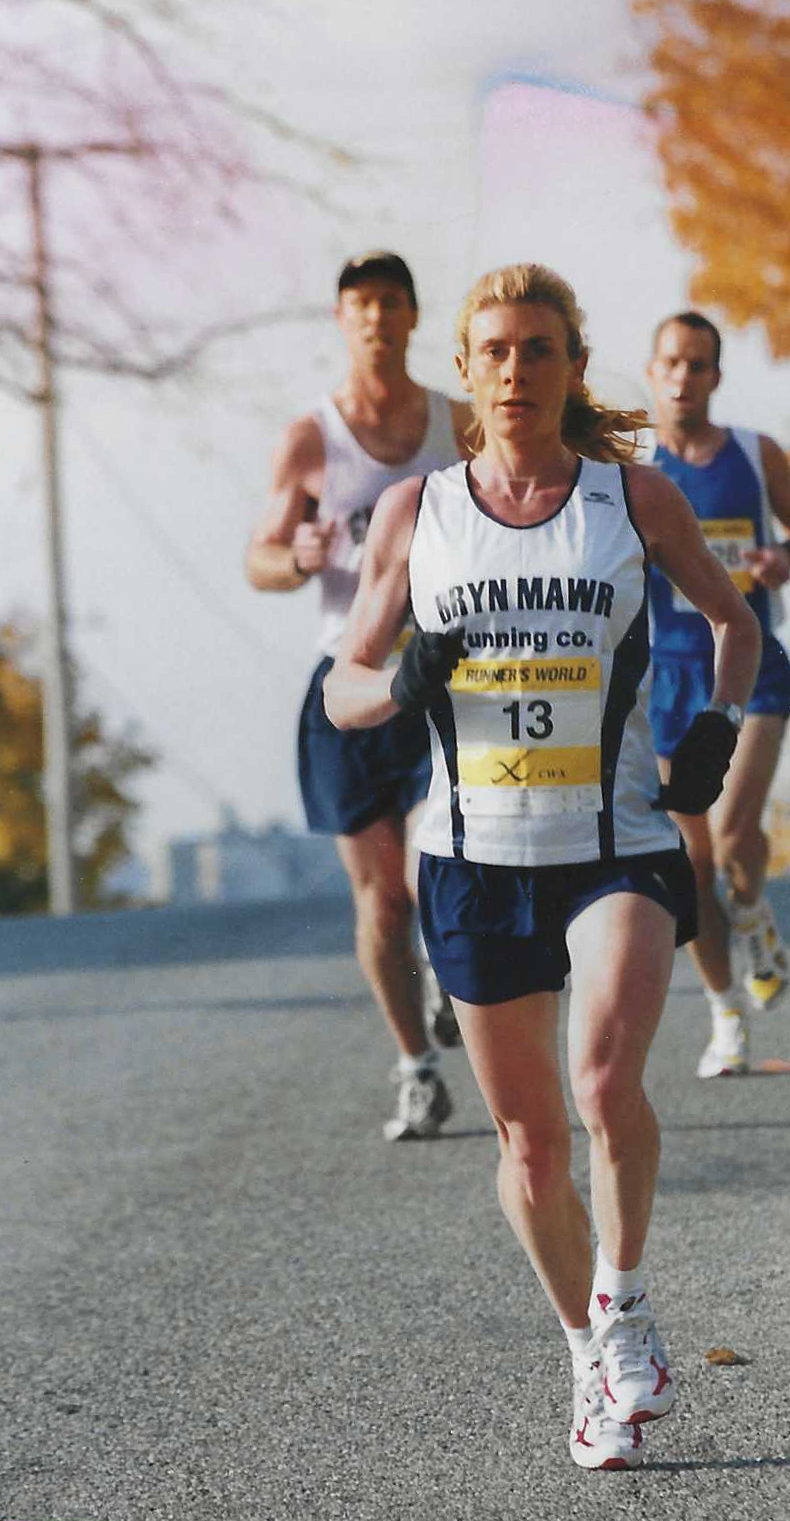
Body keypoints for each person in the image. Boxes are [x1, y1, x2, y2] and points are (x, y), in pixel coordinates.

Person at [323, 264, 761, 1469]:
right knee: (528, 1148)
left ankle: (623, 1302)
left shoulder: (634, 499)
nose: (518, 371)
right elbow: (342, 686)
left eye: (541, 349)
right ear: (466, 370)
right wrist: (401, 681)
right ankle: (583, 1350)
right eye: (497, 351)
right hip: (471, 858)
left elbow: (735, 624)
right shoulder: (419, 515)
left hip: (614, 842)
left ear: (573, 366)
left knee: (606, 1083)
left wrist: (714, 731)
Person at [245, 250, 471, 1140]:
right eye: (360, 305)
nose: (376, 318)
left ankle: (449, 965)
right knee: (378, 896)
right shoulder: (312, 439)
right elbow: (258, 557)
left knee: (433, 864)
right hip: (344, 680)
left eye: (390, 303)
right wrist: (292, 557)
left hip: (442, 677)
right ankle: (417, 1066)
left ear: (413, 316)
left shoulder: (456, 427)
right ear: (342, 319)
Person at [644, 311, 790, 1080]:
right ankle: (724, 1013)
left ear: (716, 376)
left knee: (737, 832)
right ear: (653, 371)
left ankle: (753, 913)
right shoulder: (632, 468)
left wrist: (782, 558)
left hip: (750, 662)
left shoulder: (755, 452)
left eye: (699, 364)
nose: (684, 376)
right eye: (672, 362)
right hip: (671, 675)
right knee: (690, 860)